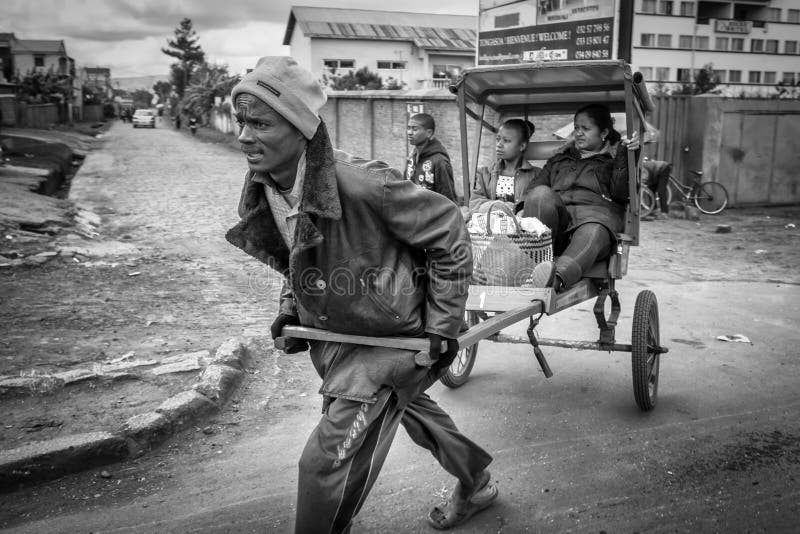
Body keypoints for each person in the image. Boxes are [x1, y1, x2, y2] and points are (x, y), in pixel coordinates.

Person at [225, 56, 497, 533]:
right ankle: (476, 483)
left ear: (300, 127)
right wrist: (291, 308)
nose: (244, 135)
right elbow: (298, 255)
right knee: (408, 407)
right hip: (337, 336)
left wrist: (442, 327)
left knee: (324, 465)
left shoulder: (365, 183)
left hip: (391, 341)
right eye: (242, 120)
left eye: (261, 123)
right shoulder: (266, 185)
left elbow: (451, 230)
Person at [523, 103, 640, 291]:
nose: (578, 133)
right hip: (556, 231)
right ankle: (530, 269)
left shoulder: (612, 161)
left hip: (594, 225)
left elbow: (621, 193)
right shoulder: (559, 159)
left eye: (585, 128)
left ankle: (554, 280)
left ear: (603, 133)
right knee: (540, 194)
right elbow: (532, 190)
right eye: (576, 127)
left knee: (593, 230)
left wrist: (626, 156)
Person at [469, 118, 540, 215]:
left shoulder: (537, 176)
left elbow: (534, 207)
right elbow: (475, 204)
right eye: (498, 139)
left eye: (506, 141)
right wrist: (508, 208)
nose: (499, 144)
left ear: (522, 146)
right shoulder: (484, 173)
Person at [405, 113, 457, 203]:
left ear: (429, 133)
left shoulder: (440, 161)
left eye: (415, 129)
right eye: (408, 128)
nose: (409, 132)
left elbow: (448, 198)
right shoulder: (412, 156)